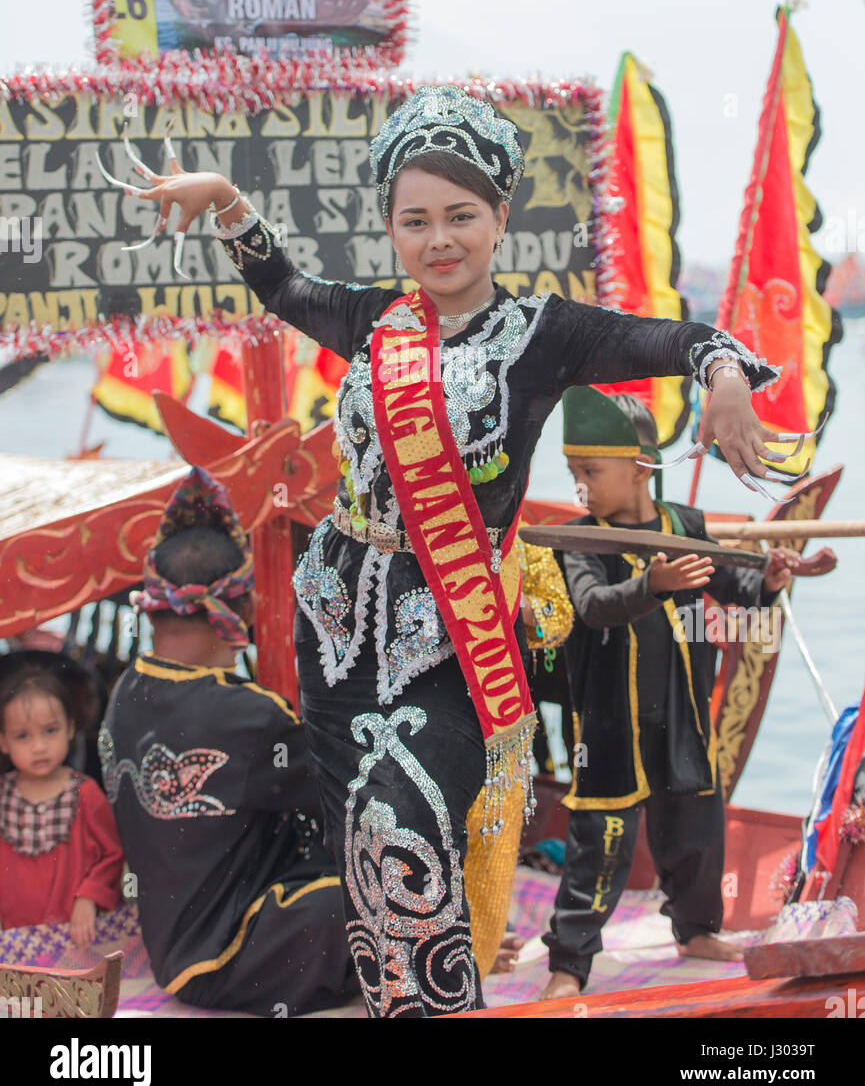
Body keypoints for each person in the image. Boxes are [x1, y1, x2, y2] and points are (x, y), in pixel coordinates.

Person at [125, 84, 793, 1018]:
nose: (438, 240)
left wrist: (722, 375)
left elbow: (681, 337)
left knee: (411, 819)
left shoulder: (543, 334)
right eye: (415, 221)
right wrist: (225, 201)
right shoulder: (372, 324)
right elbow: (281, 285)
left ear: (499, 218)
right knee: (365, 849)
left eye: (459, 217)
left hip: (449, 634)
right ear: (392, 229)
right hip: (339, 631)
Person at [540, 386, 803, 998]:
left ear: (640, 469)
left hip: (681, 712)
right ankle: (569, 964)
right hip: (609, 722)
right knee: (598, 844)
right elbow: (592, 608)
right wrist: (652, 584)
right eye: (574, 472)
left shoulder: (685, 527)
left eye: (591, 471)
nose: (580, 485)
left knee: (696, 828)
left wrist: (769, 577)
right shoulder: (581, 539)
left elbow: (734, 584)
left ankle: (696, 929)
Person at [99, 465, 357, 1018]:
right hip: (233, 956)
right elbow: (342, 790)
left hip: (173, 950)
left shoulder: (125, 691)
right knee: (369, 880)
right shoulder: (246, 714)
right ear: (236, 611)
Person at [0, 668, 123, 946]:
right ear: (3, 741)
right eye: (23, 736)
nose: (39, 746)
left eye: (50, 731)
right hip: (18, 940)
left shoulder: (85, 794)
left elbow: (112, 854)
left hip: (76, 937)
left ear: (70, 728)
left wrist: (89, 896)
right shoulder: (2, 794)